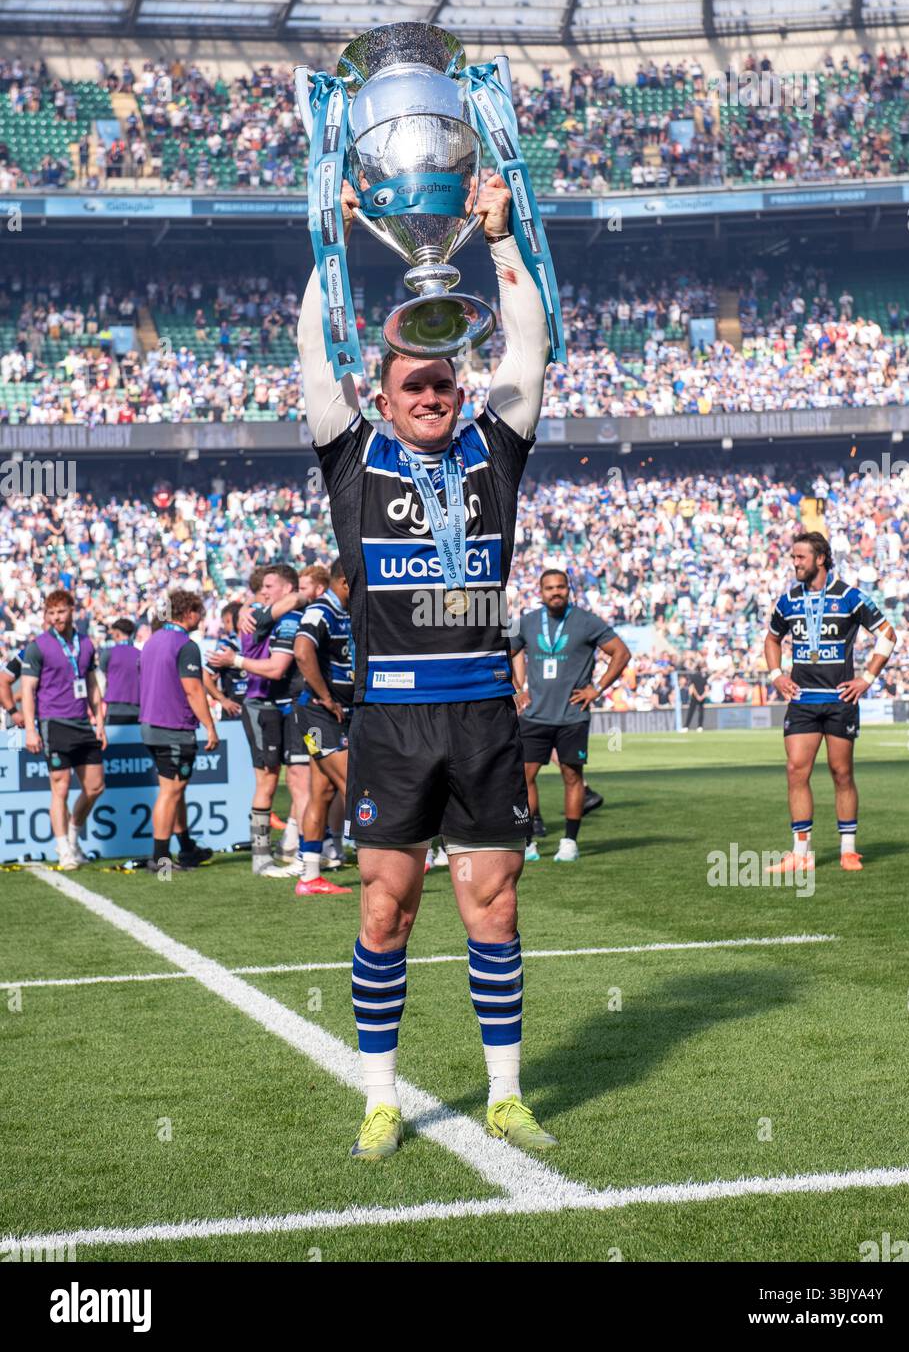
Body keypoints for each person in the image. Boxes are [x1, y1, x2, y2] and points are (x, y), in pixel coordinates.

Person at [298, 173, 554, 1160]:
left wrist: (499, 237)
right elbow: (311, 354)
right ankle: (379, 1097)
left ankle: (504, 1094)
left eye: (446, 380)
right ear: (385, 394)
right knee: (384, 906)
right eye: (415, 383)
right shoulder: (352, 454)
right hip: (393, 722)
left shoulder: (496, 449)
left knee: (493, 904)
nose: (434, 395)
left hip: (485, 712)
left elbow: (527, 350)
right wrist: (334, 238)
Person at [763, 531, 896, 873]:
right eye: (793, 558)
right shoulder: (788, 601)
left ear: (820, 558)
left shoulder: (850, 597)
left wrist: (866, 678)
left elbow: (888, 634)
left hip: (840, 699)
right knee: (796, 770)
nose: (795, 563)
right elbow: (772, 638)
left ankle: (848, 850)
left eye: (800, 557)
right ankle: (800, 853)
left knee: (841, 773)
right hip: (802, 699)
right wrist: (776, 674)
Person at [511, 569, 630, 862]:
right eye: (549, 587)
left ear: (568, 589)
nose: (555, 592)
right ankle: (528, 843)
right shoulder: (527, 622)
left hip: (572, 715)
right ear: (540, 592)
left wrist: (596, 689)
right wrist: (516, 689)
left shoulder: (586, 621)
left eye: (560, 587)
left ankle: (570, 842)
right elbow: (503, 653)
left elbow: (621, 653)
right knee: (524, 777)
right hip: (534, 714)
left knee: (572, 776)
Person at [208, 563, 307, 877]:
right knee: (267, 779)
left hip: (277, 704)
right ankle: (261, 857)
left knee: (295, 778)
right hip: (259, 703)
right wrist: (299, 596)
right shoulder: (254, 615)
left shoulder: (264, 612)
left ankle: (290, 847)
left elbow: (295, 599)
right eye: (262, 588)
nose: (263, 593)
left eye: (268, 587)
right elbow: (296, 599)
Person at [19, 590, 106, 870]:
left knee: (95, 787)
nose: (56, 617)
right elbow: (28, 691)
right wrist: (31, 730)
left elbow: (91, 684)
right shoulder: (38, 646)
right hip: (53, 723)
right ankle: (63, 849)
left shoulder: (86, 643)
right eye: (51, 613)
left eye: (61, 611)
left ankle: (73, 834)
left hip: (83, 723)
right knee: (61, 788)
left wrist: (100, 722)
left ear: (72, 610)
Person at [139, 590, 217, 874]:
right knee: (171, 791)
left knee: (174, 790)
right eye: (200, 612)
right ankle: (159, 859)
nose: (202, 618)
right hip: (173, 726)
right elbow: (193, 689)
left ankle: (186, 849)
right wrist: (210, 726)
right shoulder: (185, 644)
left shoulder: (152, 641)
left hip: (151, 724)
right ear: (190, 613)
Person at [290, 558, 354, 896]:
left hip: (341, 712)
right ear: (344, 580)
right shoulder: (320, 611)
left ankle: (310, 876)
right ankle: (383, 858)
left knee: (323, 791)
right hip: (319, 713)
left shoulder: (346, 610)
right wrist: (327, 697)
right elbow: (302, 653)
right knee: (353, 782)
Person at [202, 600, 249, 721]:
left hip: (257, 708)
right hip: (234, 711)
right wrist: (223, 700)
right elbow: (205, 674)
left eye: (225, 622)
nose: (224, 626)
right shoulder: (226, 646)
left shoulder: (257, 642)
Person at [98, 618, 140, 724]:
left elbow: (100, 683)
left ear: (117, 633)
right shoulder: (141, 655)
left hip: (114, 709)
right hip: (138, 708)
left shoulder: (108, 653)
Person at [683, 661, 708, 731]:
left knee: (694, 712)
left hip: (697, 696)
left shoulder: (701, 676)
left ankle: (687, 727)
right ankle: (697, 726)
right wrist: (700, 696)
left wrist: (700, 696)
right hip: (697, 696)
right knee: (696, 711)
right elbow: (693, 687)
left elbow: (705, 688)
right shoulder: (699, 676)